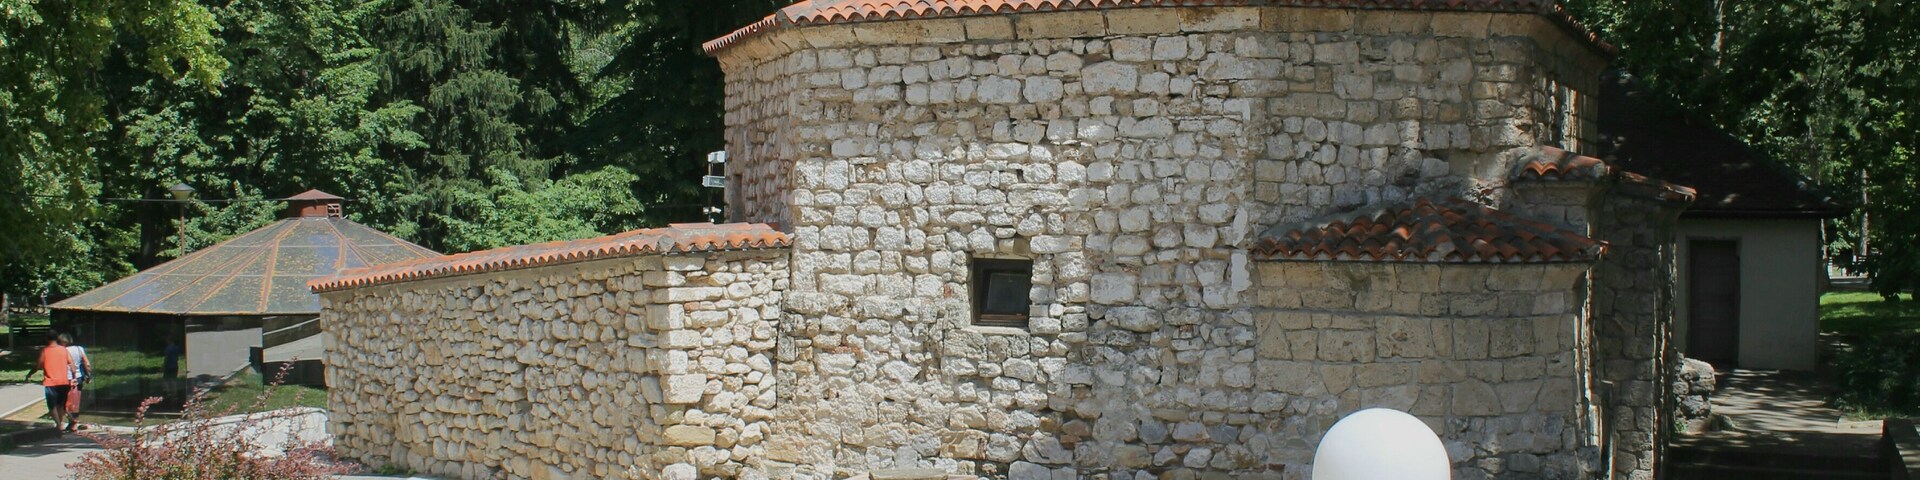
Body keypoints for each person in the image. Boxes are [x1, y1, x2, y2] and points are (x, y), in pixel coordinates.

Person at [23, 335, 71, 431]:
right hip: (64, 382)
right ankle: (60, 423)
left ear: (47, 339)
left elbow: (38, 365)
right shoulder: (64, 350)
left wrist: (29, 374)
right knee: (61, 405)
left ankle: (58, 424)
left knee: (52, 405)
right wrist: (73, 377)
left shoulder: (45, 351)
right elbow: (72, 364)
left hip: (51, 383)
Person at [60, 334, 90, 432]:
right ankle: (73, 422)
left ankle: (73, 422)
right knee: (75, 402)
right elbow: (87, 363)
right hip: (79, 378)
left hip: (66, 378)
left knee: (65, 403)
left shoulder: (62, 351)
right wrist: (89, 375)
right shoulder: (79, 349)